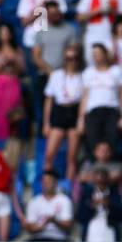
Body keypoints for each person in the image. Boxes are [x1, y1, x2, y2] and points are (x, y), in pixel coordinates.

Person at [80, 43, 122, 163]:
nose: (96, 57)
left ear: (105, 54)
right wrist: (81, 119)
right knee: (92, 142)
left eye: (98, 54)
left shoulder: (116, 71)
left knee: (112, 142)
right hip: (93, 111)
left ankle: (112, 169)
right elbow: (85, 96)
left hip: (112, 111)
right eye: (94, 54)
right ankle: (94, 169)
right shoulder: (88, 72)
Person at [43, 45, 85, 181]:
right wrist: (46, 123)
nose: (71, 62)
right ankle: (48, 182)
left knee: (72, 157)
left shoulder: (83, 76)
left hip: (74, 111)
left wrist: (81, 119)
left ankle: (68, 185)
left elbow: (84, 100)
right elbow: (49, 100)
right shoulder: (56, 75)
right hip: (60, 111)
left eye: (74, 59)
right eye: (68, 59)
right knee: (49, 154)